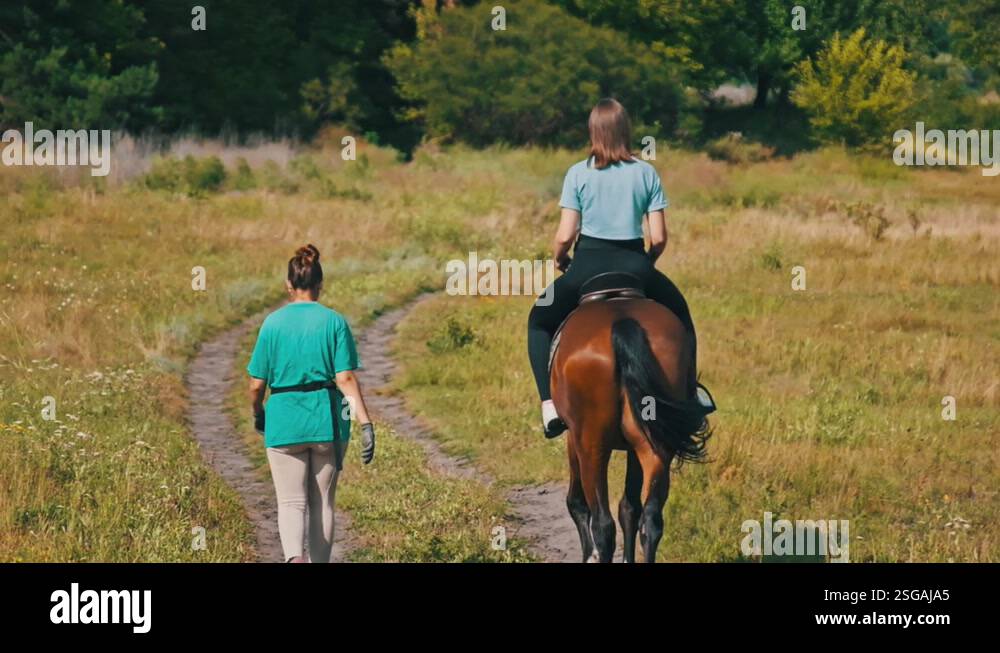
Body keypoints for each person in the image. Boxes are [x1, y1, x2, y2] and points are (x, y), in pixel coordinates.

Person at [527, 98, 713, 439]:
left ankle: (549, 405)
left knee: (538, 320)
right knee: (681, 317)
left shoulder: (578, 173)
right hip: (635, 266)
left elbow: (565, 233)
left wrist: (559, 259)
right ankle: (691, 393)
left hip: (587, 267)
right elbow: (658, 237)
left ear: (593, 132)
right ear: (626, 131)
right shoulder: (646, 172)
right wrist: (646, 265)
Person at [247, 244, 376, 562]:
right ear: (320, 285)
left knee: (290, 502)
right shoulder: (334, 322)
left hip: (283, 419)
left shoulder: (272, 324)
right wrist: (365, 423)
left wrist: (258, 412)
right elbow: (345, 378)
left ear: (288, 285)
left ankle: (293, 558)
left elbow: (256, 384)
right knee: (322, 503)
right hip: (326, 421)